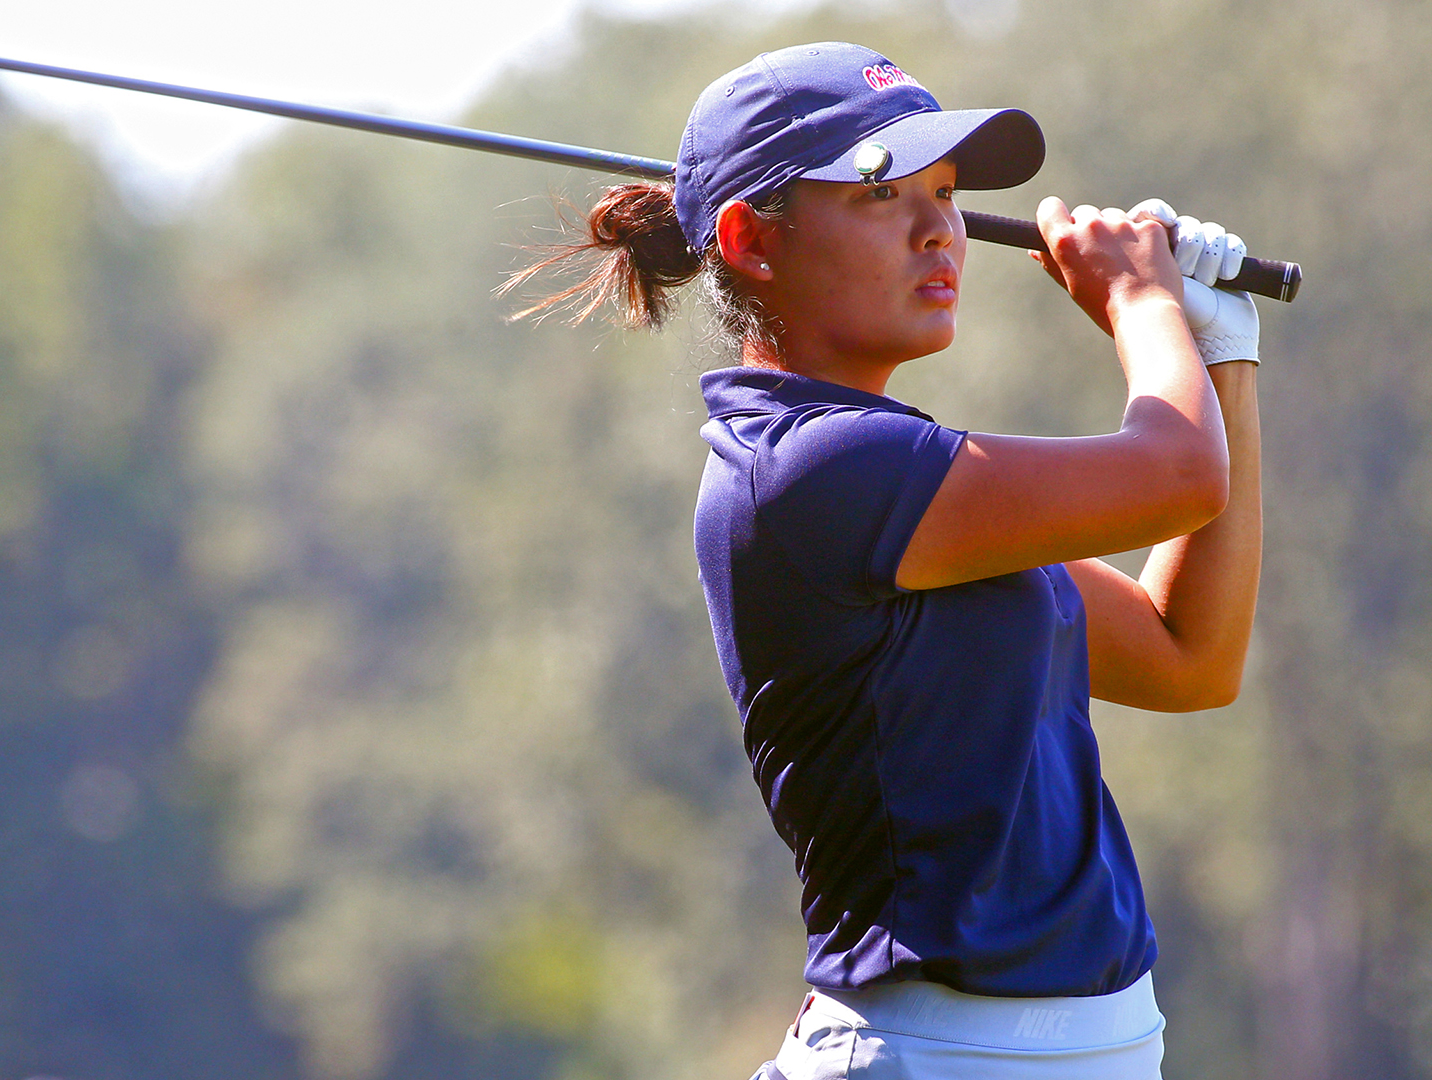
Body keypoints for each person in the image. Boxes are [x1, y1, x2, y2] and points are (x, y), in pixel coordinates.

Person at [509, 42, 1262, 1080]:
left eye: (946, 194)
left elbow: (1189, 657)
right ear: (750, 242)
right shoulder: (814, 471)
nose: (939, 229)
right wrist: (1143, 307)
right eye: (883, 195)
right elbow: (1179, 472)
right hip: (930, 1059)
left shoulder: (912, 477)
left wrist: (1223, 358)